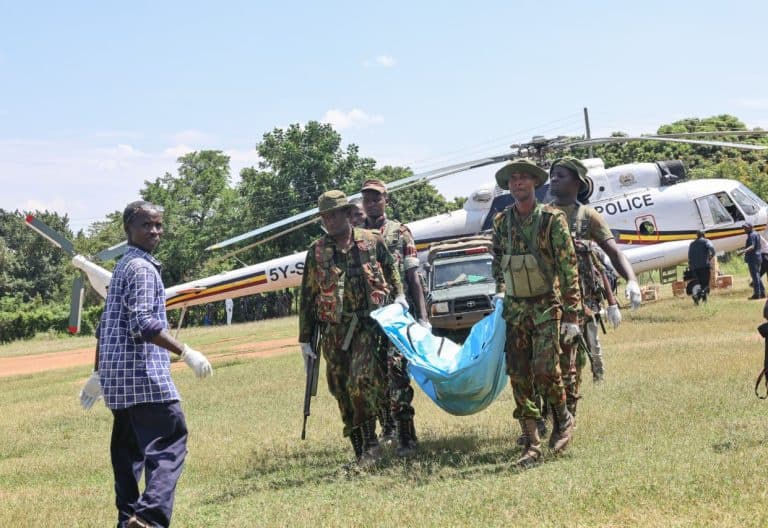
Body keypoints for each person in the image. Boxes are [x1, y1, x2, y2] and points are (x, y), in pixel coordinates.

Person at [77, 200, 213, 528]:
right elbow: (143, 322)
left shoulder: (124, 266)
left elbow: (107, 326)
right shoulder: (142, 269)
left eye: (157, 225)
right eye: (145, 225)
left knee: (127, 459)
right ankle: (149, 518)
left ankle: (128, 521)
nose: (154, 231)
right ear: (128, 229)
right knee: (171, 440)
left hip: (119, 385)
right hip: (144, 379)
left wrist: (99, 372)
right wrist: (185, 352)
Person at [298, 190, 406, 467]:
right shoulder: (317, 251)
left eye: (334, 214)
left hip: (367, 327)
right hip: (334, 331)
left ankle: (371, 443)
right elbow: (308, 296)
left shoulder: (371, 241)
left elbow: (391, 270)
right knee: (341, 390)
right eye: (325, 216)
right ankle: (360, 451)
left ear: (347, 214)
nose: (330, 220)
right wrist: (305, 339)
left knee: (362, 382)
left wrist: (400, 297)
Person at [491, 158, 581, 468]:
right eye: (513, 179)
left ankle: (561, 417)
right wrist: (499, 290)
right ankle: (531, 443)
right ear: (509, 185)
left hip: (545, 305)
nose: (518, 183)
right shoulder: (502, 222)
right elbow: (497, 259)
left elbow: (569, 268)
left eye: (524, 178)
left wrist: (572, 315)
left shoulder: (552, 220)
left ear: (534, 183)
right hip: (515, 309)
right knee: (518, 375)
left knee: (545, 369)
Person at [548, 157, 634, 388]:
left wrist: (630, 283)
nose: (554, 179)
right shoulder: (543, 216)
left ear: (577, 182)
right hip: (552, 296)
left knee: (592, 342)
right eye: (552, 175)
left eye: (561, 175)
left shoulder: (588, 216)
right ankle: (565, 388)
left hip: (585, 295)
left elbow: (611, 254)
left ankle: (598, 380)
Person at [361, 178, 429, 456]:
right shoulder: (356, 234)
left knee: (398, 373)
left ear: (386, 200)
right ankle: (386, 429)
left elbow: (413, 275)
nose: (371, 203)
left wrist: (423, 317)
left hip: (398, 314)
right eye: (367, 199)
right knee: (372, 377)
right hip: (368, 317)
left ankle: (406, 436)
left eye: (376, 198)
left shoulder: (400, 232)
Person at [687, 230, 715, 304]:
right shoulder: (706, 241)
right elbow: (712, 249)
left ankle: (704, 301)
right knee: (705, 285)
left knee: (700, 284)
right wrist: (710, 257)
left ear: (697, 235)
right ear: (704, 235)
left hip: (695, 268)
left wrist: (691, 266)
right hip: (704, 267)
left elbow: (689, 256)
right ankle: (697, 297)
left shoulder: (692, 244)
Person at [740, 222, 765, 299]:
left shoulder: (751, 235)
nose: (744, 229)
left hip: (753, 258)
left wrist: (743, 251)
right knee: (756, 275)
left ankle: (757, 294)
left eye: (746, 228)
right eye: (744, 228)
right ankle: (762, 292)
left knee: (755, 276)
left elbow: (752, 246)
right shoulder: (756, 234)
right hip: (758, 257)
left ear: (750, 227)